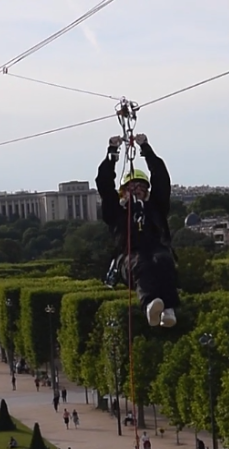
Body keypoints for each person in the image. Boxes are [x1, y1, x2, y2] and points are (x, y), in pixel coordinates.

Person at [96, 133, 179, 328]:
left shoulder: (156, 208)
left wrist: (146, 149)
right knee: (142, 263)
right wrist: (112, 153)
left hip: (157, 250)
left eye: (141, 186)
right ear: (123, 191)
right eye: (132, 187)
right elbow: (104, 184)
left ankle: (168, 309)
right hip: (129, 257)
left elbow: (161, 179)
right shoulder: (116, 212)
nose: (137, 190)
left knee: (163, 260)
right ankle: (149, 304)